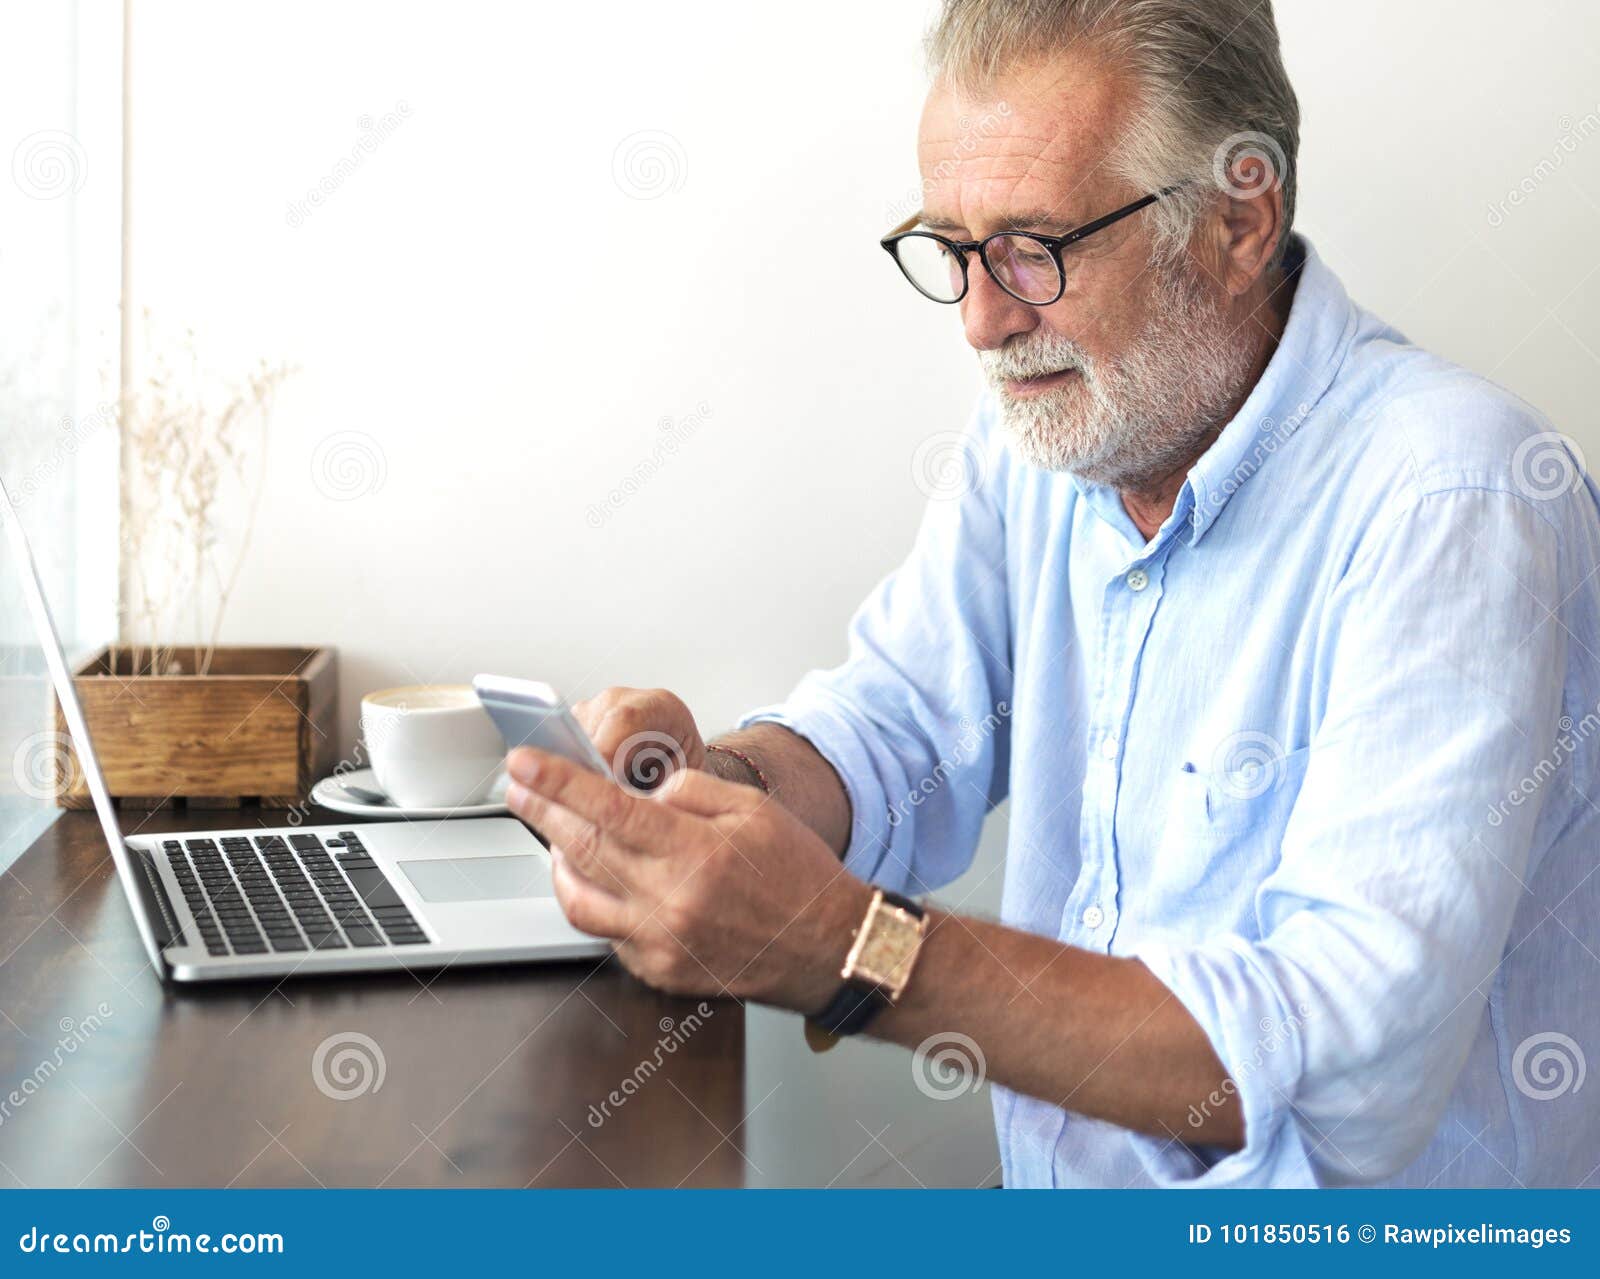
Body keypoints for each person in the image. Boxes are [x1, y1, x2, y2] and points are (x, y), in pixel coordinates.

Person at [504, 0, 1600, 1187]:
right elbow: (901, 726)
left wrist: (841, 949)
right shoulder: (1056, 426)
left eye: (1037, 247)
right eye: (952, 248)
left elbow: (1339, 1063)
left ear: (1237, 219)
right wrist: (722, 786)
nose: (982, 320)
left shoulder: (1456, 495)